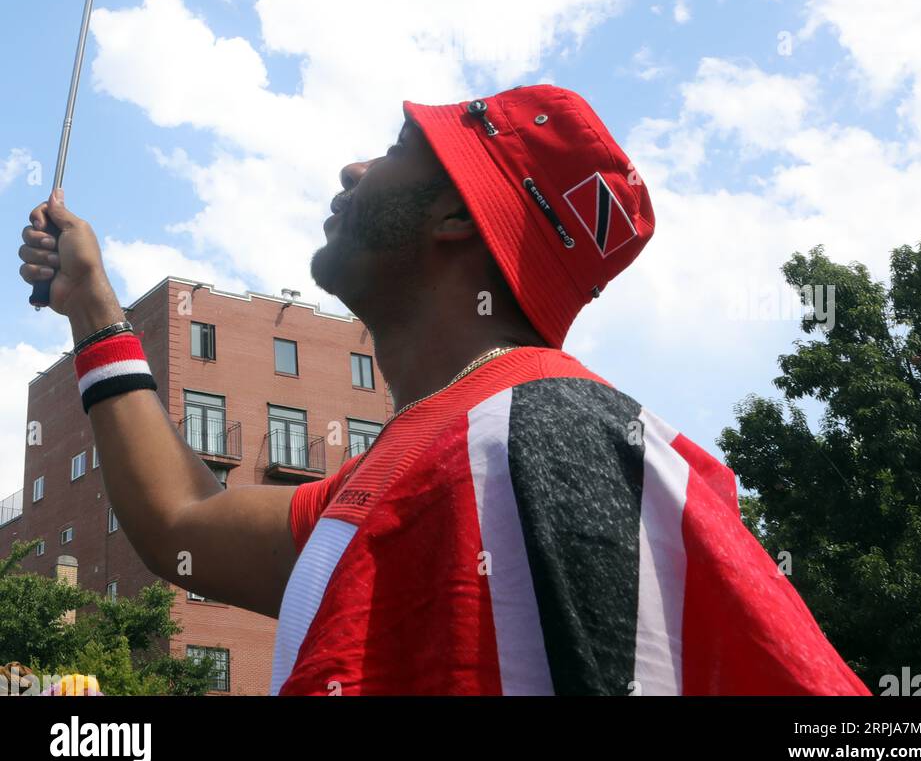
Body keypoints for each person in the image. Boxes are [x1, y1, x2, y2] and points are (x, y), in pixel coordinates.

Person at [18, 84, 869, 696]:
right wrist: (93, 307)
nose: (353, 168)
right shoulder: (409, 462)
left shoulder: (554, 433)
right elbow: (184, 528)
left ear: (457, 217)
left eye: (392, 153)